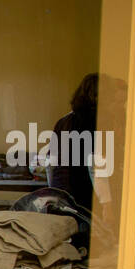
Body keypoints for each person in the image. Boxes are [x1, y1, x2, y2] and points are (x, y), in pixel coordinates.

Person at [47, 72, 99, 209]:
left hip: (61, 192)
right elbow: (94, 166)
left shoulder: (63, 121)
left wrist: (53, 189)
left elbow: (50, 163)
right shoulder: (93, 122)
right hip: (83, 193)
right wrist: (107, 203)